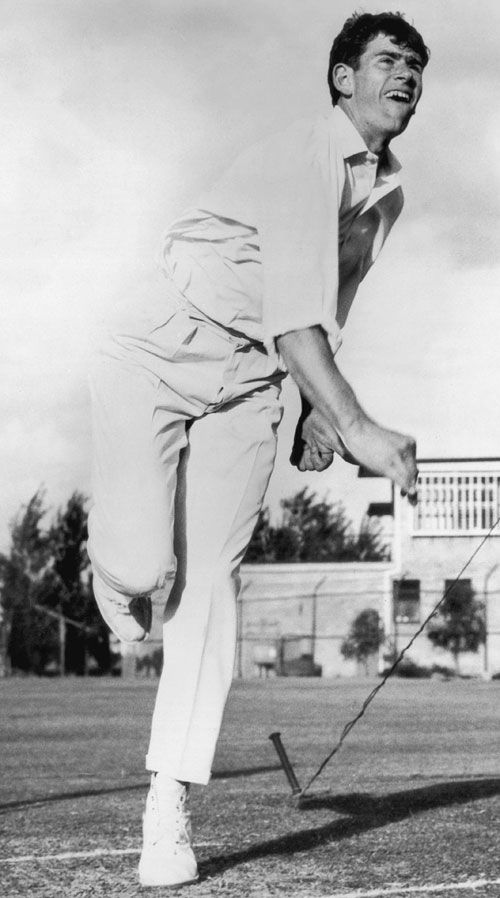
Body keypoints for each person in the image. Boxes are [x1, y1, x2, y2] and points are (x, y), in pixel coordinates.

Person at [87, 11, 429, 889]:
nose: (407, 76)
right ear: (340, 78)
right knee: (140, 569)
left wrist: (320, 411)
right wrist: (354, 426)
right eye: (388, 60)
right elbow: (294, 318)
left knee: (213, 588)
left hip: (249, 386)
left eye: (417, 66)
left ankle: (167, 803)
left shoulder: (387, 191)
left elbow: (330, 299)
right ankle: (119, 570)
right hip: (159, 350)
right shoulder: (304, 151)